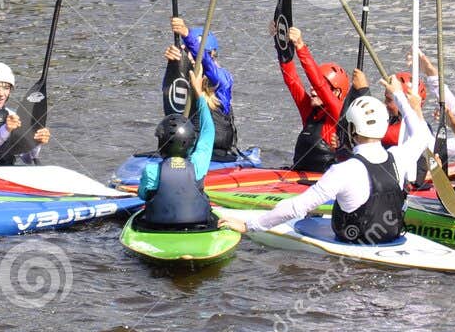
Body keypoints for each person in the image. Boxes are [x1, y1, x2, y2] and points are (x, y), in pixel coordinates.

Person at [219, 77, 430, 245]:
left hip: (352, 243)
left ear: (352, 129)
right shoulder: (399, 157)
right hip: (392, 238)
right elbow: (421, 134)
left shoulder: (344, 171)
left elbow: (296, 208)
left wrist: (249, 225)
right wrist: (399, 97)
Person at [134, 64, 217, 230]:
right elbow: (209, 130)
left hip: (156, 225)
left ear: (161, 143)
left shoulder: (151, 170)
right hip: (198, 224)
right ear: (190, 143)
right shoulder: (198, 164)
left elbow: (142, 195)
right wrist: (199, 94)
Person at [279, 25, 350, 171]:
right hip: (298, 175)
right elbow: (291, 80)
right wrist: (282, 44)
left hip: (324, 178)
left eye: (316, 86)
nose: (312, 89)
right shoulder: (309, 112)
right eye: (311, 86)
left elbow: (319, 84)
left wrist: (300, 46)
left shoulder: (338, 113)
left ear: (336, 92)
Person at [169, 17, 238, 160]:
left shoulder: (222, 79)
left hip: (217, 154)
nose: (189, 56)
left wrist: (186, 34)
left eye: (192, 52)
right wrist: (172, 66)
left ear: (211, 54)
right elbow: (169, 105)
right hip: (189, 151)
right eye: (187, 51)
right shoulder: (186, 76)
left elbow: (206, 62)